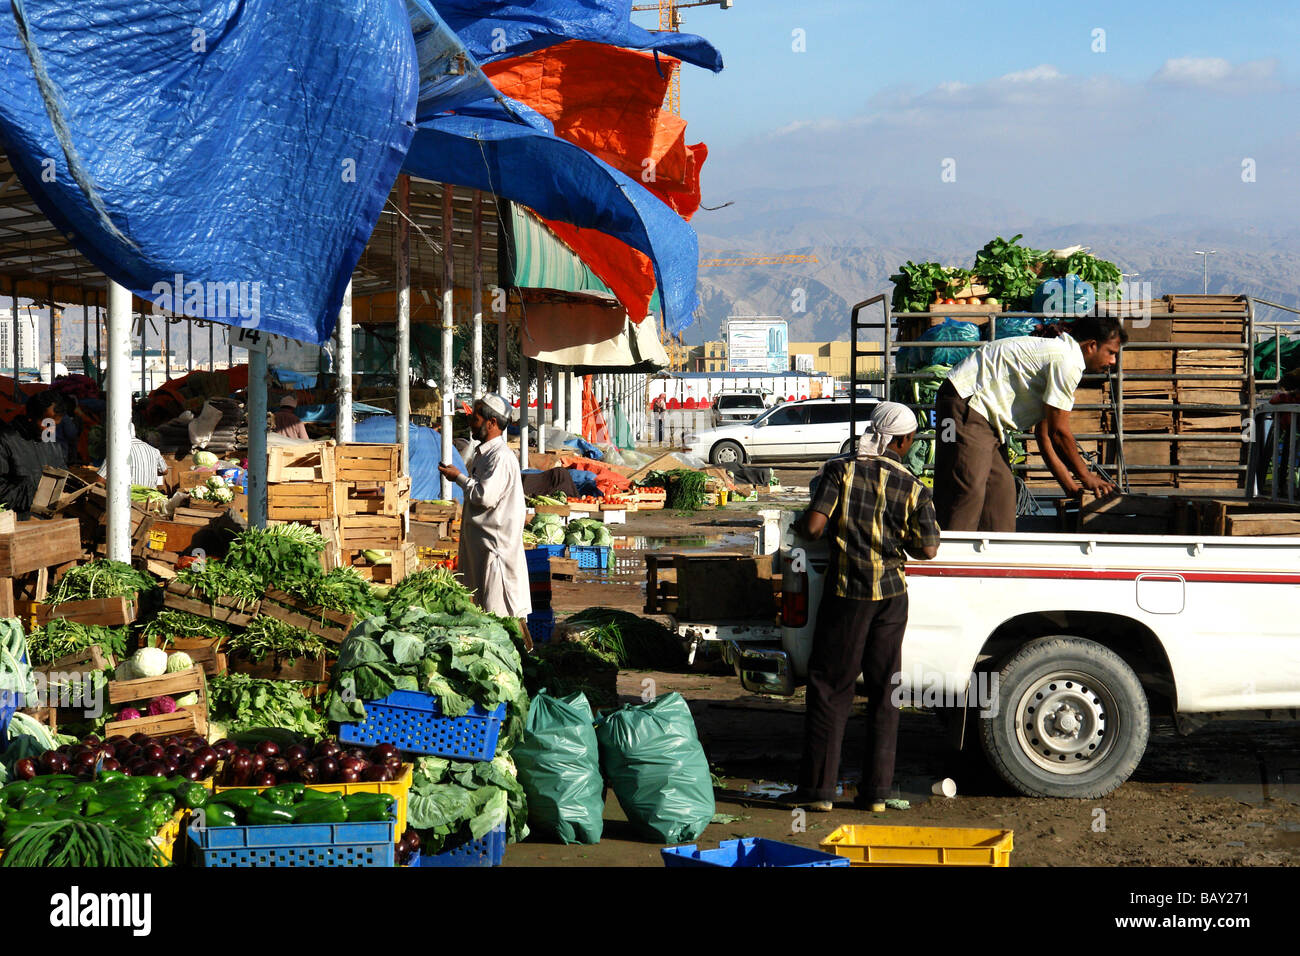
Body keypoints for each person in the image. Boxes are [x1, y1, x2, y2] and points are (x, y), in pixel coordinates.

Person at [790, 402, 940, 813]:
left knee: (830, 689)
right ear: (905, 441)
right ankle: (876, 793)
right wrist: (900, 542)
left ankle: (819, 793)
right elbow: (928, 548)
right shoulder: (914, 486)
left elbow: (816, 526)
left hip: (847, 593)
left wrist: (803, 526)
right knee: (884, 691)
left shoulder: (841, 469)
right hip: (892, 596)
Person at [933, 315, 1126, 532]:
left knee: (1001, 495)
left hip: (987, 419)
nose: (1113, 362)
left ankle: (997, 561)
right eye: (1111, 353)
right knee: (967, 489)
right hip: (966, 402)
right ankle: (948, 559)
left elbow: (1044, 436)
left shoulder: (1062, 359)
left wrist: (1071, 488)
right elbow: (1059, 433)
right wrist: (1087, 477)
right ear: (1092, 346)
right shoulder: (1066, 361)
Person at [437, 394, 533, 650]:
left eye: (475, 418)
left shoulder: (500, 457)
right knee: (486, 616)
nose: (471, 422)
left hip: (495, 554)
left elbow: (484, 495)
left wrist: (457, 477)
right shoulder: (485, 454)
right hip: (483, 551)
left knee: (501, 620)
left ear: (491, 423)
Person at [95, 423, 167, 489]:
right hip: (150, 497)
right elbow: (165, 471)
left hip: (128, 499)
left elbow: (100, 481)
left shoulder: (117, 451)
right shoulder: (154, 450)